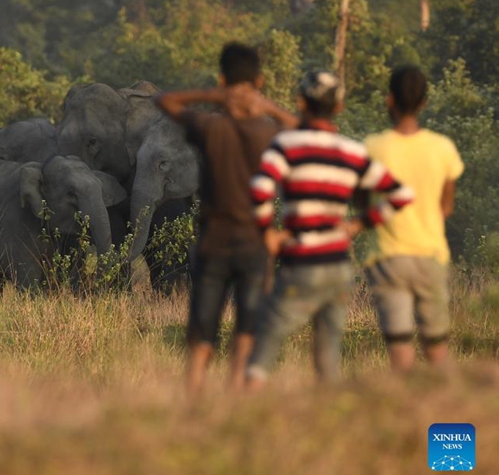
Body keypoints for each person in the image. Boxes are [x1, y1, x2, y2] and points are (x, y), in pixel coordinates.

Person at [246, 71, 415, 389]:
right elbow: (402, 194)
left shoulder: (286, 145)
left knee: (265, 343)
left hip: (300, 263)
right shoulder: (352, 152)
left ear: (300, 103)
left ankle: (243, 406)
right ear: (338, 107)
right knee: (327, 358)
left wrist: (268, 233)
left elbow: (259, 188)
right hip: (337, 266)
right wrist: (358, 224)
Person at [155, 43, 299, 396]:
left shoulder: (210, 126)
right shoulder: (268, 133)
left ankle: (194, 396)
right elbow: (303, 130)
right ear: (260, 81)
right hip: (255, 243)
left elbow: (165, 100)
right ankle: (236, 399)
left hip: (213, 242)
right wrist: (267, 106)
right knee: (246, 330)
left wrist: (213, 96)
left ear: (221, 79)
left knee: (202, 330)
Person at [364, 66, 464, 373]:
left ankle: (406, 400)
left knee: (400, 347)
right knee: (436, 346)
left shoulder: (373, 147)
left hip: (389, 258)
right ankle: (442, 401)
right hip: (430, 255)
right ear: (424, 102)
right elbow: (446, 207)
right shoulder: (443, 148)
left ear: (389, 99)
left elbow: (362, 201)